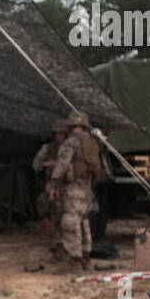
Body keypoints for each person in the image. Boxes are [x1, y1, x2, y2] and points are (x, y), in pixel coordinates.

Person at [48, 109, 100, 270]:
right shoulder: (92, 142)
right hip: (87, 188)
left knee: (70, 222)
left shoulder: (70, 142)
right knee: (84, 222)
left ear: (70, 125)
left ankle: (74, 260)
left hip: (73, 188)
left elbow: (62, 165)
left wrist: (54, 185)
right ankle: (86, 257)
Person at [32, 119, 68, 249]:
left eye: (61, 133)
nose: (58, 136)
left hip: (68, 185)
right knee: (55, 215)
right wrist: (45, 164)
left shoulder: (71, 148)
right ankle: (57, 244)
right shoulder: (48, 148)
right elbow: (36, 165)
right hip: (53, 186)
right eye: (56, 133)